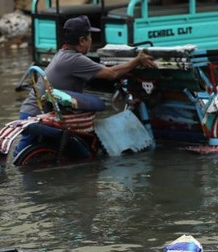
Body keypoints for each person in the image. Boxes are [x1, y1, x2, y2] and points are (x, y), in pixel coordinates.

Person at [15, 15, 156, 154]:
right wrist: (137, 61)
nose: (91, 42)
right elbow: (112, 74)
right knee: (85, 149)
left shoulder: (62, 54)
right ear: (82, 40)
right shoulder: (75, 59)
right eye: (90, 38)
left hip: (29, 112)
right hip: (37, 116)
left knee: (22, 154)